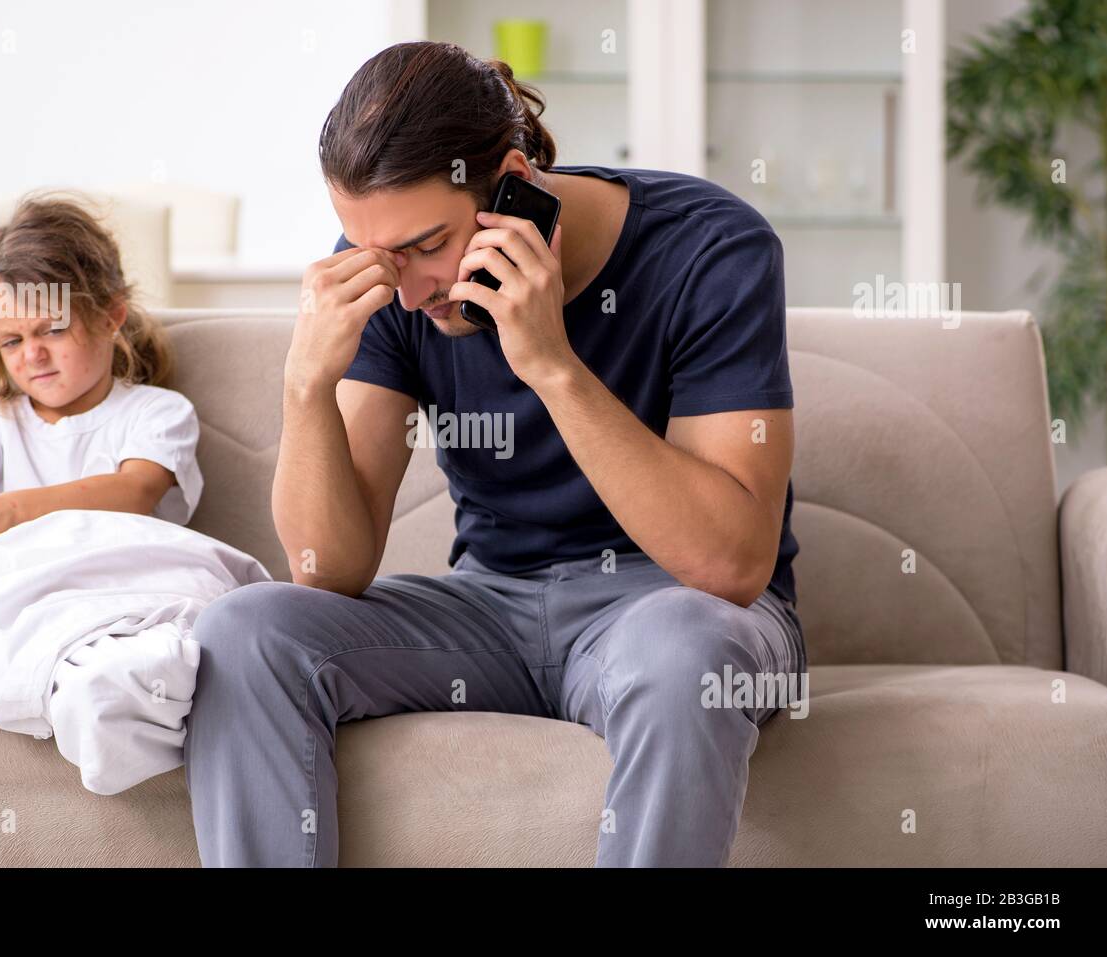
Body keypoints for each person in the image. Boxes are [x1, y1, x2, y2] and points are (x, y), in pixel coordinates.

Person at [185, 41, 806, 867]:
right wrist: (305, 385)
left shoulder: (710, 249)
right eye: (376, 254)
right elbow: (324, 568)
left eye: (426, 245)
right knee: (242, 630)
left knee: (681, 652)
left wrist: (551, 364)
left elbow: (730, 565)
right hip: (491, 606)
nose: (405, 291)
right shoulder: (394, 282)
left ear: (513, 181)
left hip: (677, 607)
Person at [0, 194, 203, 571]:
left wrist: (14, 508)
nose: (32, 354)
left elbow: (135, 491)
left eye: (52, 330)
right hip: (11, 587)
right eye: (12, 340)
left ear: (110, 317)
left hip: (114, 585)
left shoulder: (158, 412)